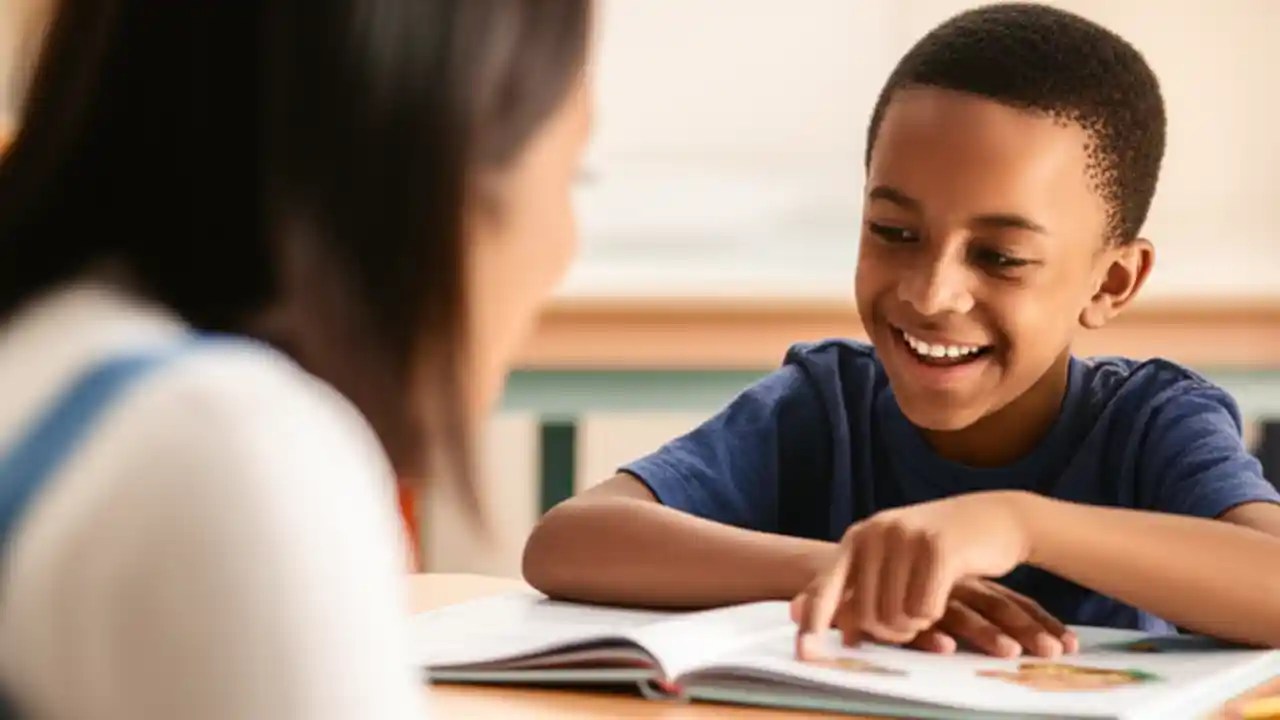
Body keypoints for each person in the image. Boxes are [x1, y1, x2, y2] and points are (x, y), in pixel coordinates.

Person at [523, 2, 1280, 659]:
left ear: (1110, 282)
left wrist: (1017, 524)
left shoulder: (1148, 424)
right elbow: (568, 540)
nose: (931, 292)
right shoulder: (824, 407)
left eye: (1001, 257)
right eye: (893, 230)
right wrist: (844, 571)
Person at [0, 1, 591, 718]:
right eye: (570, 172)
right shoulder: (228, 452)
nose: (565, 250)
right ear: (439, 149)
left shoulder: (52, 360)